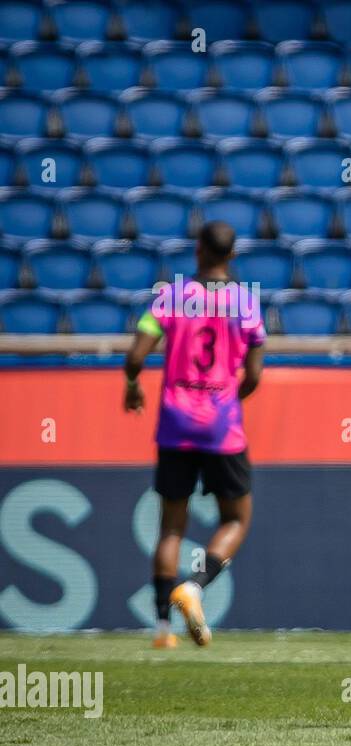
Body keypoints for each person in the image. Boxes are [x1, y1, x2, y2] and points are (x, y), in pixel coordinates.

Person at [124, 221, 264, 648]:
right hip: (222, 426)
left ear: (199, 250)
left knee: (171, 526)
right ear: (232, 255)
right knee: (236, 518)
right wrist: (229, 399)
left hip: (175, 423)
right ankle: (196, 585)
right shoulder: (245, 301)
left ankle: (163, 631)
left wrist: (132, 384)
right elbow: (255, 374)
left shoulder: (171, 296)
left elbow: (135, 356)